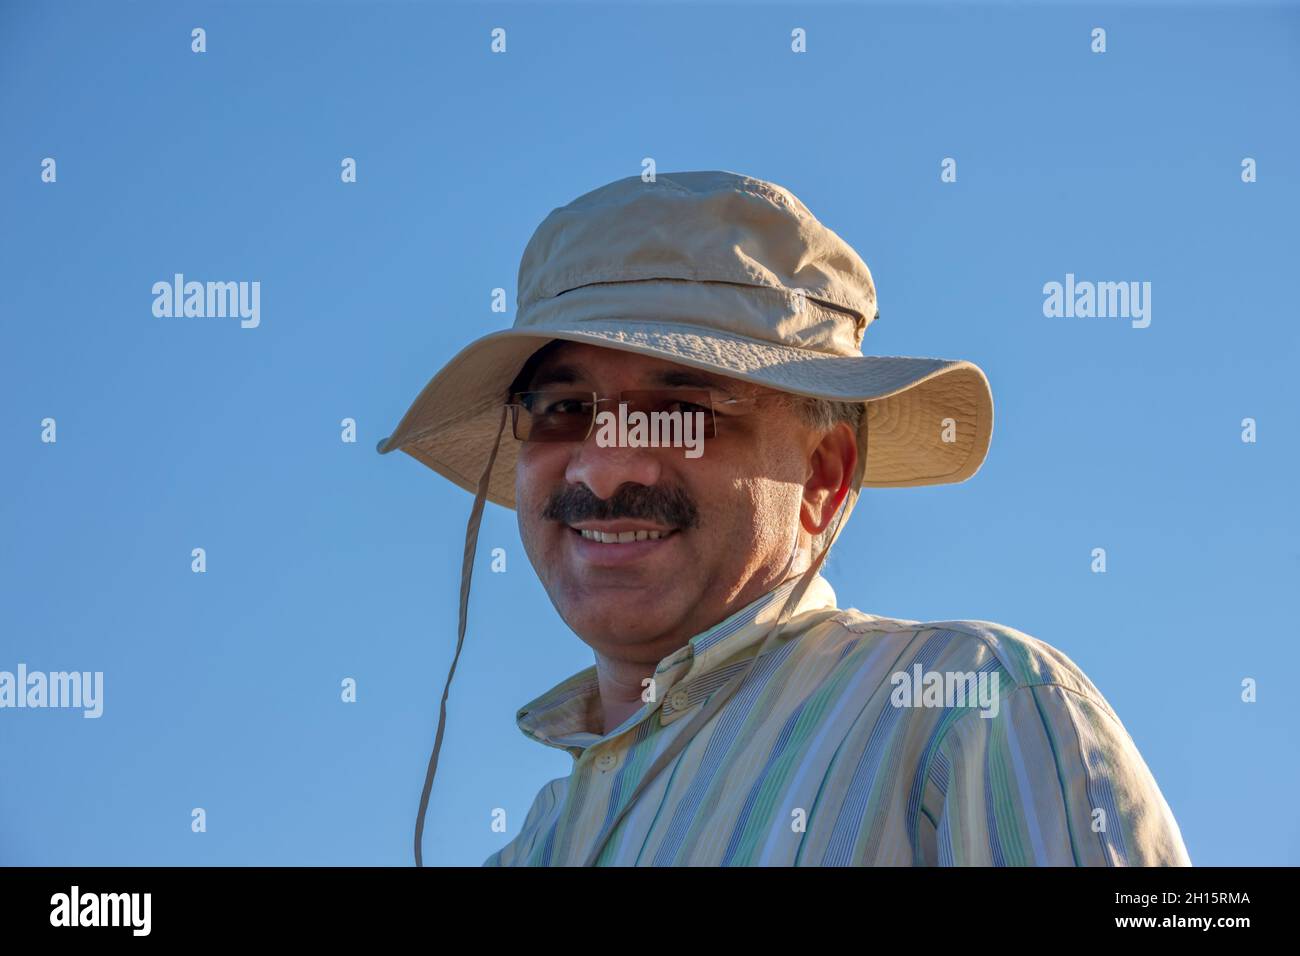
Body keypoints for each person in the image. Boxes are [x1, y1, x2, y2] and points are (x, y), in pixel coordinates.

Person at [378, 170, 1191, 866]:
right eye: (561, 408)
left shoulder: (972, 710)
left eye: (682, 408)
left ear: (824, 478)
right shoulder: (528, 850)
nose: (604, 461)